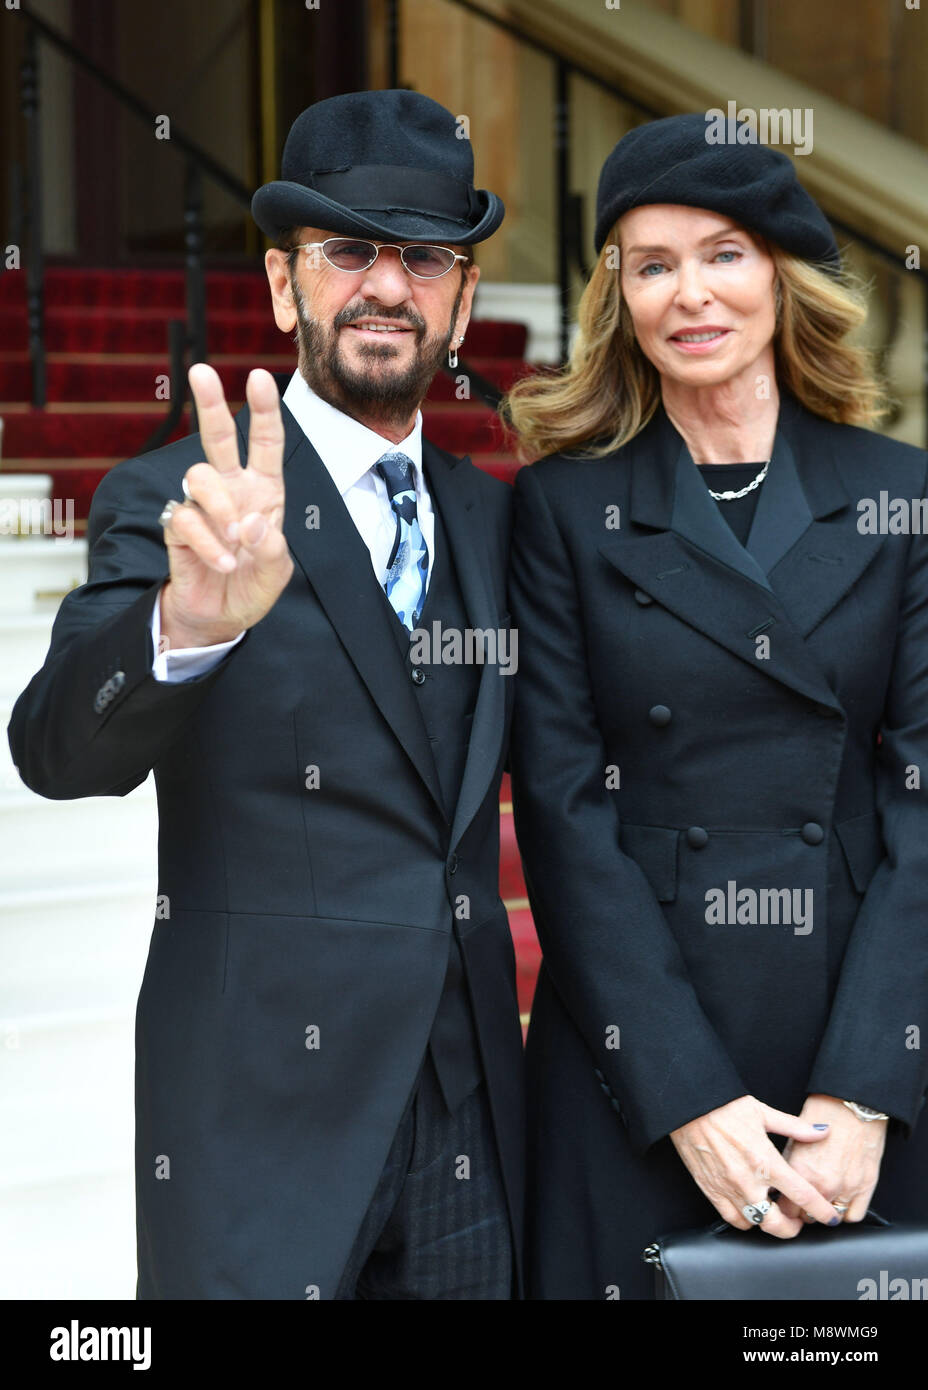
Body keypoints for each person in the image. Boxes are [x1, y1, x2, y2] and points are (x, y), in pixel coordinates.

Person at [8, 89, 524, 1301]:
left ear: (460, 297)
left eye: (424, 259)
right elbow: (53, 749)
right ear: (287, 288)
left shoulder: (500, 520)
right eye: (349, 252)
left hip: (471, 1132)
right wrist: (184, 625)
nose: (387, 289)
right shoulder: (176, 498)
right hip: (256, 1128)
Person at [503, 112, 928, 1299]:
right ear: (619, 297)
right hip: (635, 1064)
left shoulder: (902, 497)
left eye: (724, 252)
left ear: (783, 275)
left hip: (860, 1055)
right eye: (651, 263)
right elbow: (562, 813)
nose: (689, 293)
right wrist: (684, 1094)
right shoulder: (559, 511)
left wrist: (862, 1091)